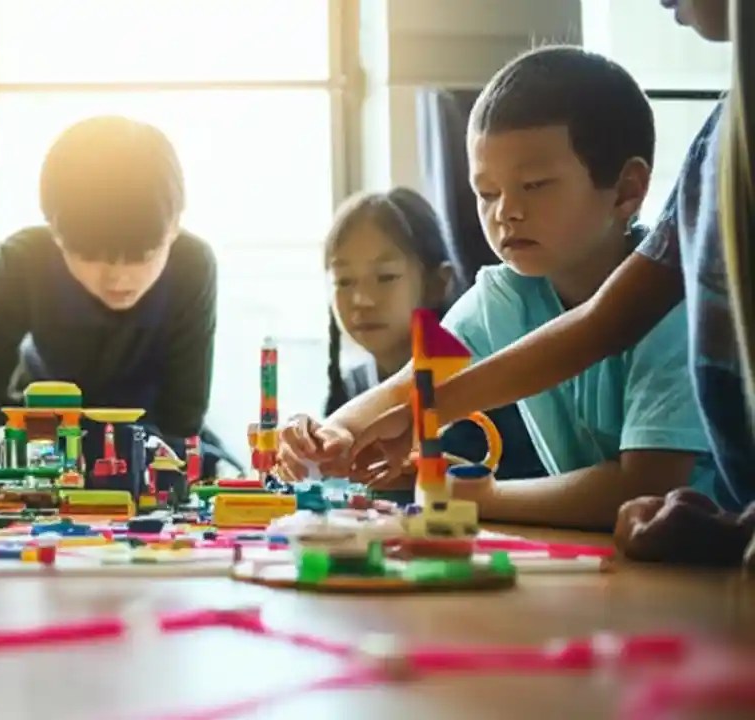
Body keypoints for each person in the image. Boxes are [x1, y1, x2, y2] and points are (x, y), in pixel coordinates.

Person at [277, 45, 720, 530]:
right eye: (486, 193)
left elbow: (646, 489)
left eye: (534, 185)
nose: (505, 212)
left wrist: (479, 496)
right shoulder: (504, 297)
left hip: (711, 573)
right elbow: (411, 387)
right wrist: (335, 433)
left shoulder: (675, 307)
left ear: (627, 189)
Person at [0, 115, 228, 475]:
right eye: (90, 256)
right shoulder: (25, 259)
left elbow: (184, 414)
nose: (118, 277)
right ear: (56, 232)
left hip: (151, 440)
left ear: (174, 226)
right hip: (44, 441)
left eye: (142, 257)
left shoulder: (192, 265)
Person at [319, 187, 543, 480]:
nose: (362, 299)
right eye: (344, 281)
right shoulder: (352, 387)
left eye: (385, 276)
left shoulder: (480, 382)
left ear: (438, 283)